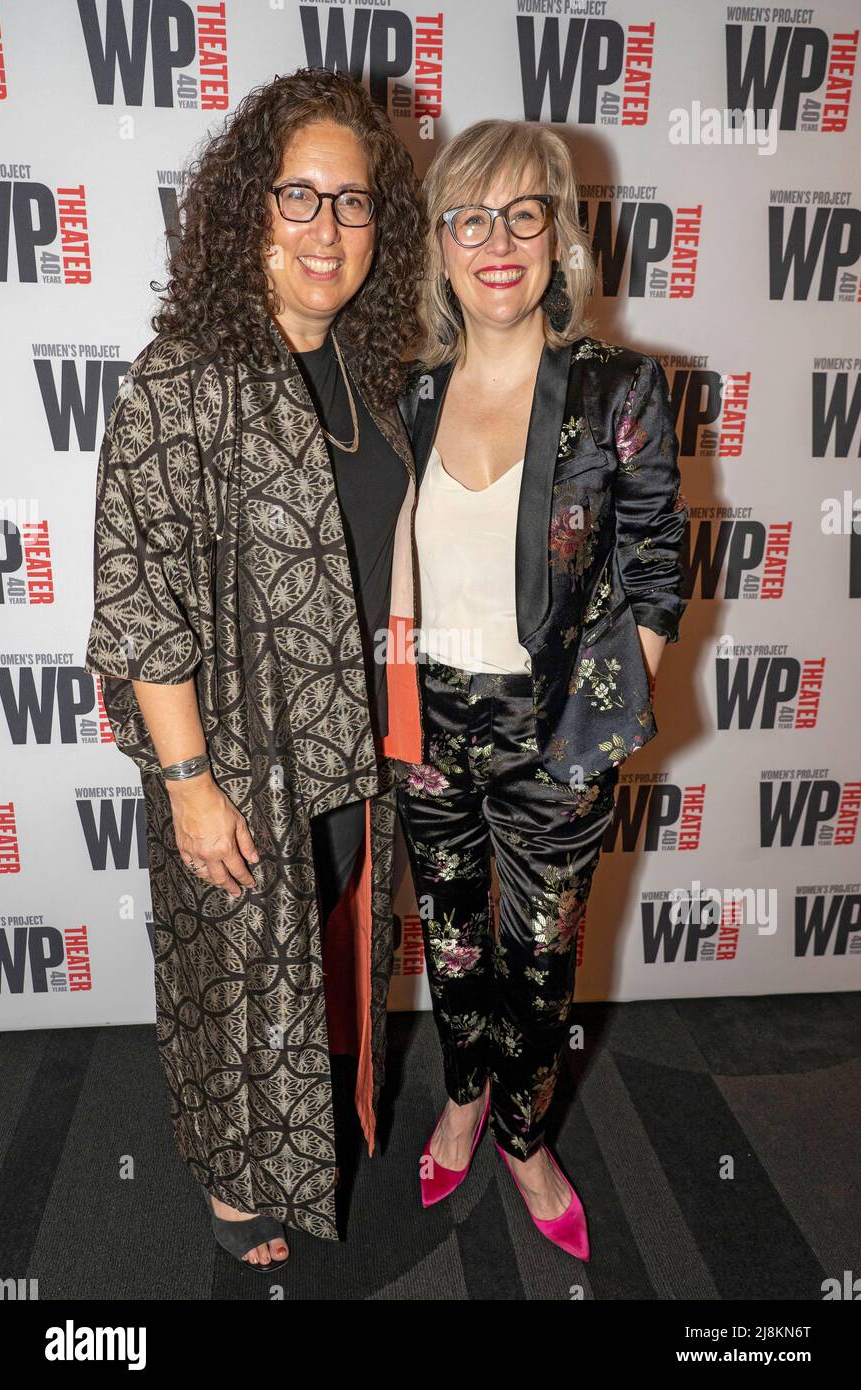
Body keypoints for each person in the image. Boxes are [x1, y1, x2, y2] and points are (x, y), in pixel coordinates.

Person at [84, 68, 423, 1270]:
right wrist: (185, 782)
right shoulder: (186, 376)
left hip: (347, 761)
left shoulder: (370, 380)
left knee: (300, 986)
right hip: (231, 760)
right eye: (300, 197)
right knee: (233, 991)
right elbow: (137, 597)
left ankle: (290, 1142)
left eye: (356, 202)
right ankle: (233, 1187)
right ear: (248, 214)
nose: (328, 229)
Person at [387, 119, 689, 1258]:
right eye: (471, 217)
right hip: (424, 723)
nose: (498, 242)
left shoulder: (614, 387)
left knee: (544, 961)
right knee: (454, 945)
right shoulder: (406, 392)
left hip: (553, 729)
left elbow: (656, 565)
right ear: (442, 243)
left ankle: (521, 1130)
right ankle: (463, 1096)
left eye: (526, 214)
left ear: (559, 235)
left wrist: (593, 727)